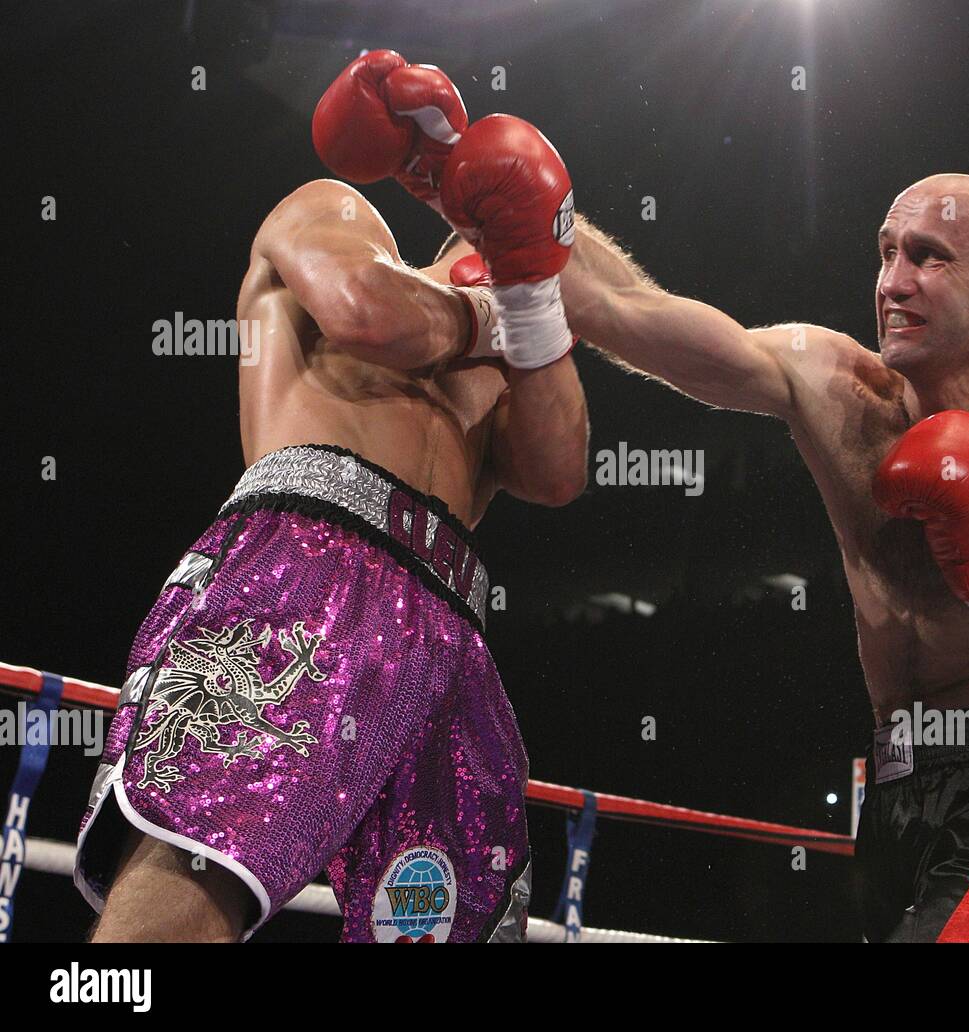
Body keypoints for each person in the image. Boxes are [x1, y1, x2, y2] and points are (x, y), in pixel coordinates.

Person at [553, 171, 969, 940]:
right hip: (894, 795)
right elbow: (631, 312)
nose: (894, 283)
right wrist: (494, 202)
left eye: (930, 258)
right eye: (886, 254)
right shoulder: (838, 386)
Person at [73, 50, 588, 942]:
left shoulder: (504, 359)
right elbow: (363, 310)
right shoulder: (336, 213)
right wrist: (494, 312)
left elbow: (558, 473)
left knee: (440, 926)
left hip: (446, 634)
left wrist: (534, 296)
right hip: (306, 565)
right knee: (201, 866)